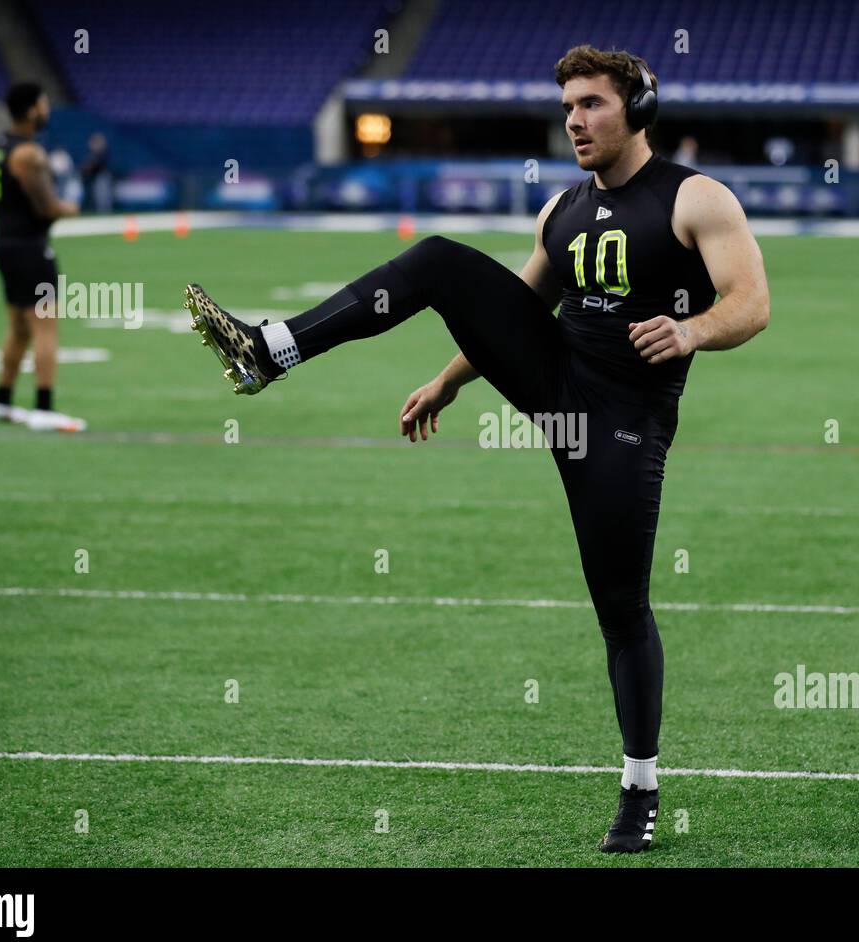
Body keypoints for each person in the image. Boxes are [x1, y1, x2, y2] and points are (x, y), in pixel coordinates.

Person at [183, 46, 769, 851]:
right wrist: (451, 378)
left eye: (592, 104)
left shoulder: (696, 198)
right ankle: (269, 349)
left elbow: (753, 302)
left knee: (621, 609)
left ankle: (640, 787)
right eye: (567, 106)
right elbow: (522, 303)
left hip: (620, 420)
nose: (574, 120)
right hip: (557, 377)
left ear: (639, 111)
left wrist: (691, 327)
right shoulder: (561, 209)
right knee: (435, 261)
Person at [0, 81, 85, 432]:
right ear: (31, 110)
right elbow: (46, 208)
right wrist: (71, 208)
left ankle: (0, 400)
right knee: (45, 328)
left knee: (19, 330)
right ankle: (43, 407)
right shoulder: (30, 155)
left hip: (3, 244)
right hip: (31, 248)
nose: (47, 110)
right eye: (43, 104)